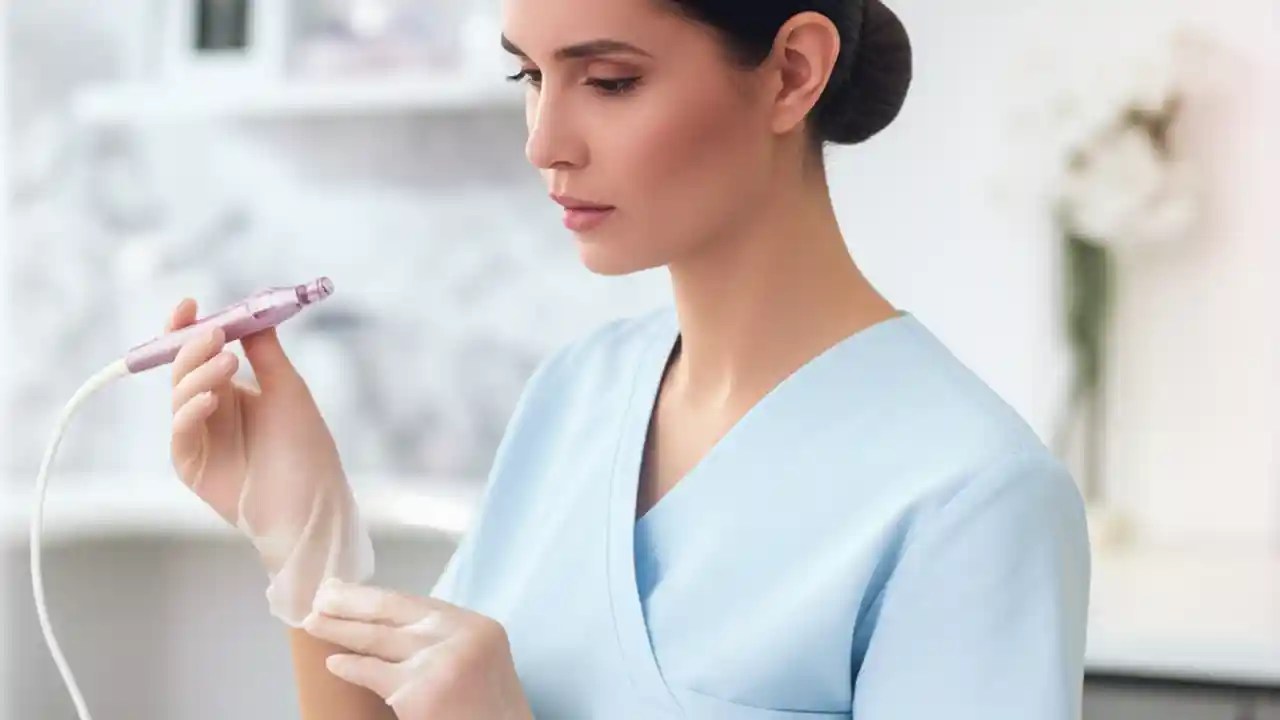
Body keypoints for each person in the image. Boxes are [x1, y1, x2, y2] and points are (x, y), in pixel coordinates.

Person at [165, 0, 1091, 717]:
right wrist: (306, 543)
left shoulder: (973, 500)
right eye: (527, 76)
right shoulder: (578, 392)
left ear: (791, 73)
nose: (543, 142)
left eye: (607, 81)